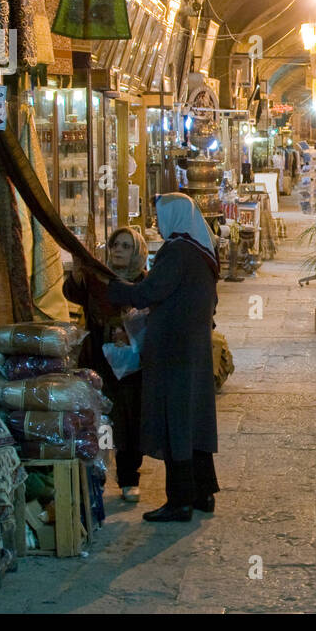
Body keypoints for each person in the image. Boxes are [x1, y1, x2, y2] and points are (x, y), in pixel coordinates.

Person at [88, 193, 221, 523]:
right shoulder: (202, 250)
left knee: (176, 421)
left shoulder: (176, 251)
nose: (157, 222)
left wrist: (110, 286)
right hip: (192, 347)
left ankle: (180, 502)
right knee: (193, 419)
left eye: (160, 215)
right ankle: (202, 492)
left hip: (173, 349)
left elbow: (147, 293)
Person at [63, 227, 148, 502]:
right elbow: (72, 292)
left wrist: (131, 331)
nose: (119, 250)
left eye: (126, 246)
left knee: (129, 421)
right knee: (98, 421)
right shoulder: (97, 279)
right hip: (97, 360)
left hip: (131, 367)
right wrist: (76, 273)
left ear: (137, 252)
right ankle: (95, 479)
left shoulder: (144, 283)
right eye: (115, 245)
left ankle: (128, 478)